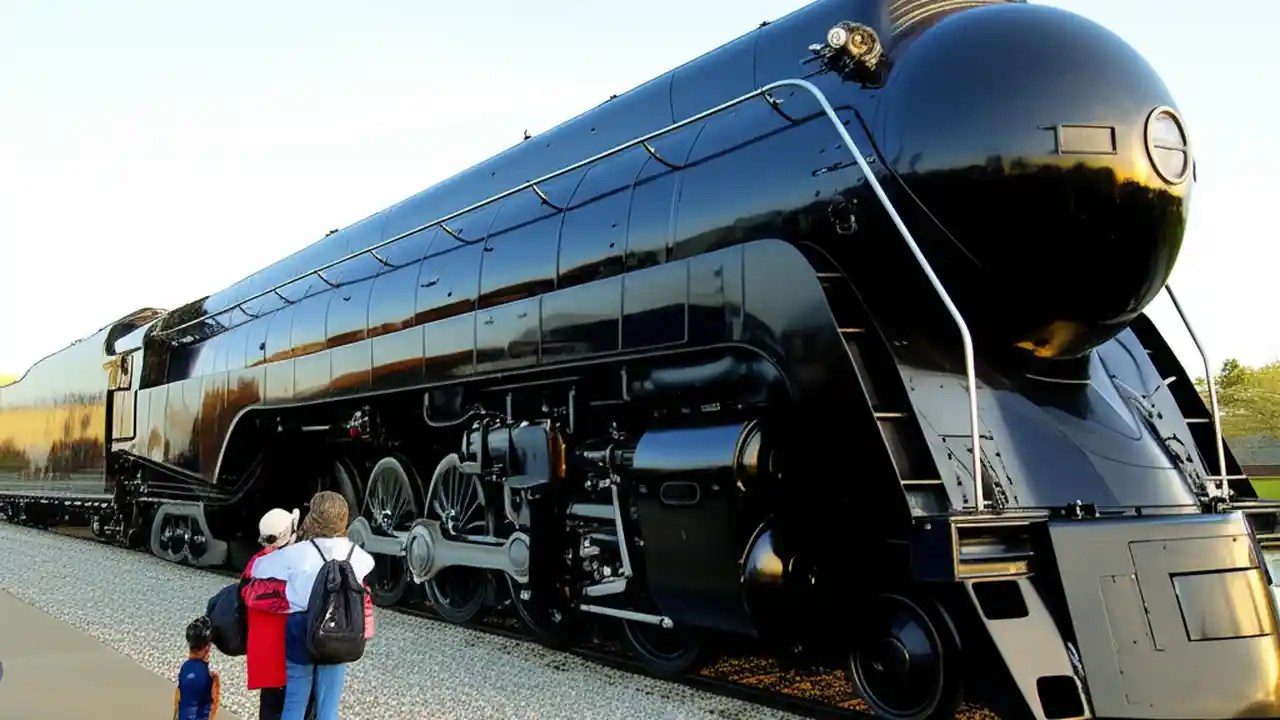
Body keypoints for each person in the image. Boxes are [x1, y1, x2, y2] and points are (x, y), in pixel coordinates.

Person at [250, 491, 375, 720]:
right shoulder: (359, 556)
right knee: (329, 708)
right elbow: (368, 570)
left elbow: (259, 568)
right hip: (339, 629)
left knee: (295, 702)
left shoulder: (298, 553)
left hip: (300, 627)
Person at [241, 508, 300, 720]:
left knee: (268, 708)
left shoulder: (256, 564)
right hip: (291, 655)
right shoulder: (298, 564)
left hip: (264, 657)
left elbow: (244, 592)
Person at [173, 616, 222, 720]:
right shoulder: (211, 673)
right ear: (207, 646)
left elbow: (178, 702)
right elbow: (214, 705)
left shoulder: (185, 668)